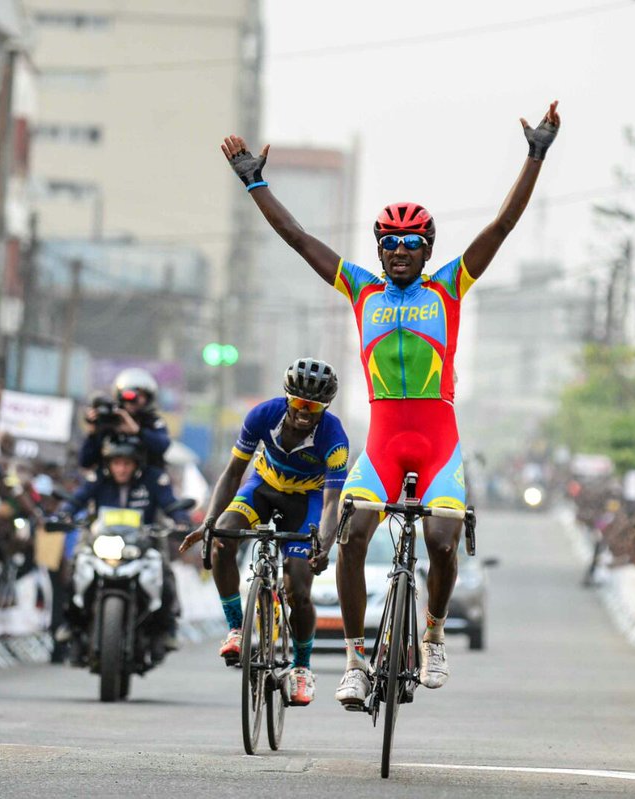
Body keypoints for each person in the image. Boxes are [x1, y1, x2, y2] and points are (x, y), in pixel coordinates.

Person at [220, 100, 560, 707]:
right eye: (390, 243)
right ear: (379, 250)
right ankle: (355, 661)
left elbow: (503, 226)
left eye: (411, 243)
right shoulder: (361, 288)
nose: (399, 251)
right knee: (352, 536)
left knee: (443, 539)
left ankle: (433, 635)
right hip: (383, 442)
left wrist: (535, 154)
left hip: (437, 443)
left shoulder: (449, 286)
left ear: (427, 250)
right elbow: (297, 238)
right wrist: (255, 182)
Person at [180, 358, 348, 706]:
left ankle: (301, 668)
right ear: (287, 398)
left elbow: (332, 502)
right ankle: (236, 628)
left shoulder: (334, 437)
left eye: (314, 406)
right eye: (299, 402)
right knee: (223, 539)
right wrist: (210, 522)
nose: (305, 412)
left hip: (307, 500)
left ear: (326, 406)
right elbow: (232, 473)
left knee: (298, 586)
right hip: (263, 487)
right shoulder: (262, 415)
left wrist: (324, 544)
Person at [57, 436, 191, 656]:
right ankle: (71, 623)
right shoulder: (98, 478)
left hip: (144, 541)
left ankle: (168, 628)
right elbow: (77, 499)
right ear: (109, 464)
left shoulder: (153, 479)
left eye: (127, 463)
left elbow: (170, 503)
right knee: (75, 566)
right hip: (100, 540)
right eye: (116, 463)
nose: (121, 469)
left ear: (137, 464)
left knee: (165, 571)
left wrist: (182, 521)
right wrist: (63, 514)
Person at [79, 368, 170, 471]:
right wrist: (93, 433)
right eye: (129, 395)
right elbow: (85, 461)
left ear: (148, 398)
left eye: (140, 395)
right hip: (110, 478)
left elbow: (162, 446)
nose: (133, 400)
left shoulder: (152, 422)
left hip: (145, 477)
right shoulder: (109, 420)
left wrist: (138, 431)